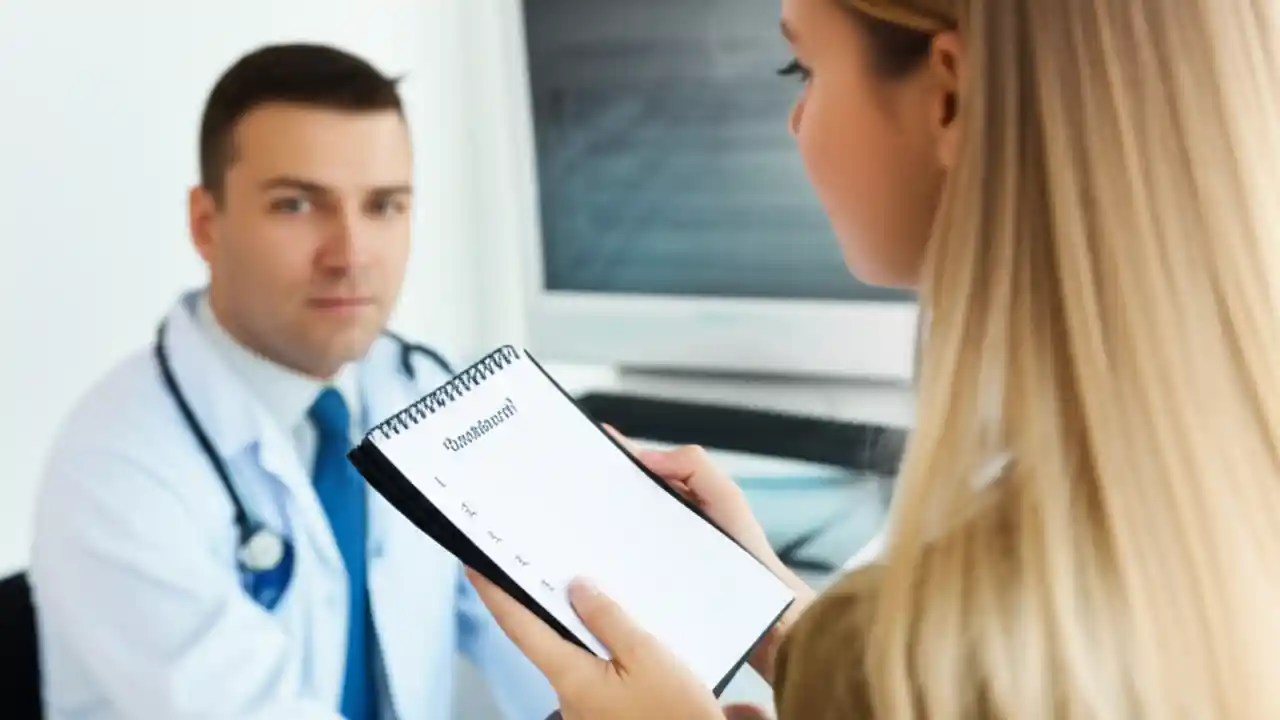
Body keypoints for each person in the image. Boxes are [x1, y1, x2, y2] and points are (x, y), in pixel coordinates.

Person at [466, 0, 1280, 718]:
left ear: (950, 95)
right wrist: (794, 634)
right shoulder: (1206, 514)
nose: (795, 121)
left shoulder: (928, 640)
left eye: (804, 67)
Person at [29, 44, 556, 720]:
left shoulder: (428, 394)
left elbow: (550, 646)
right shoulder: (117, 465)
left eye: (384, 206)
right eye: (298, 205)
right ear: (205, 223)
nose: (351, 256)